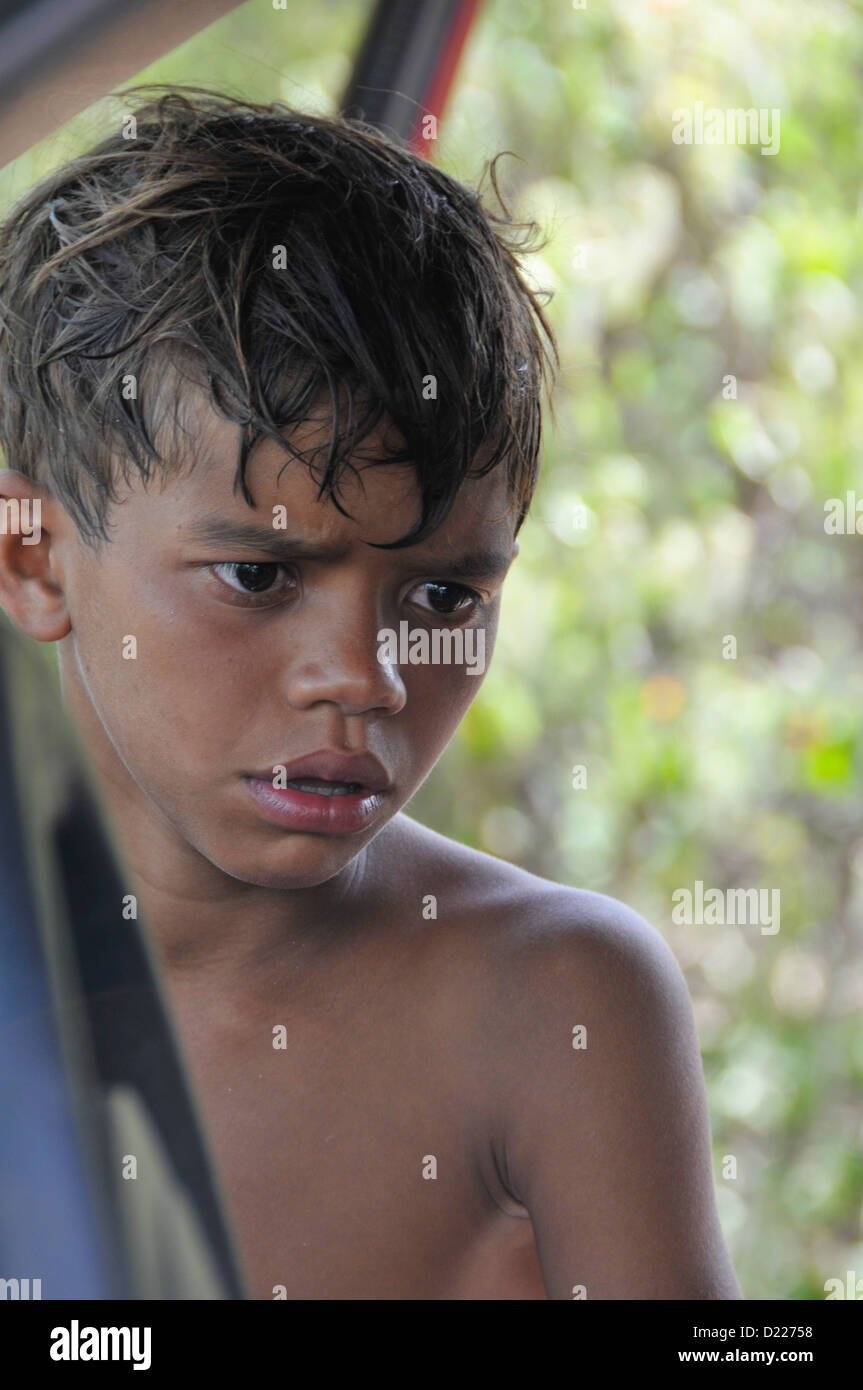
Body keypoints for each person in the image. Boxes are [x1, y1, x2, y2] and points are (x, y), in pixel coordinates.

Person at [0, 87, 741, 1300]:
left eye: (445, 596)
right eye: (258, 573)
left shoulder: (549, 1000)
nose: (365, 674)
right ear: (35, 557)